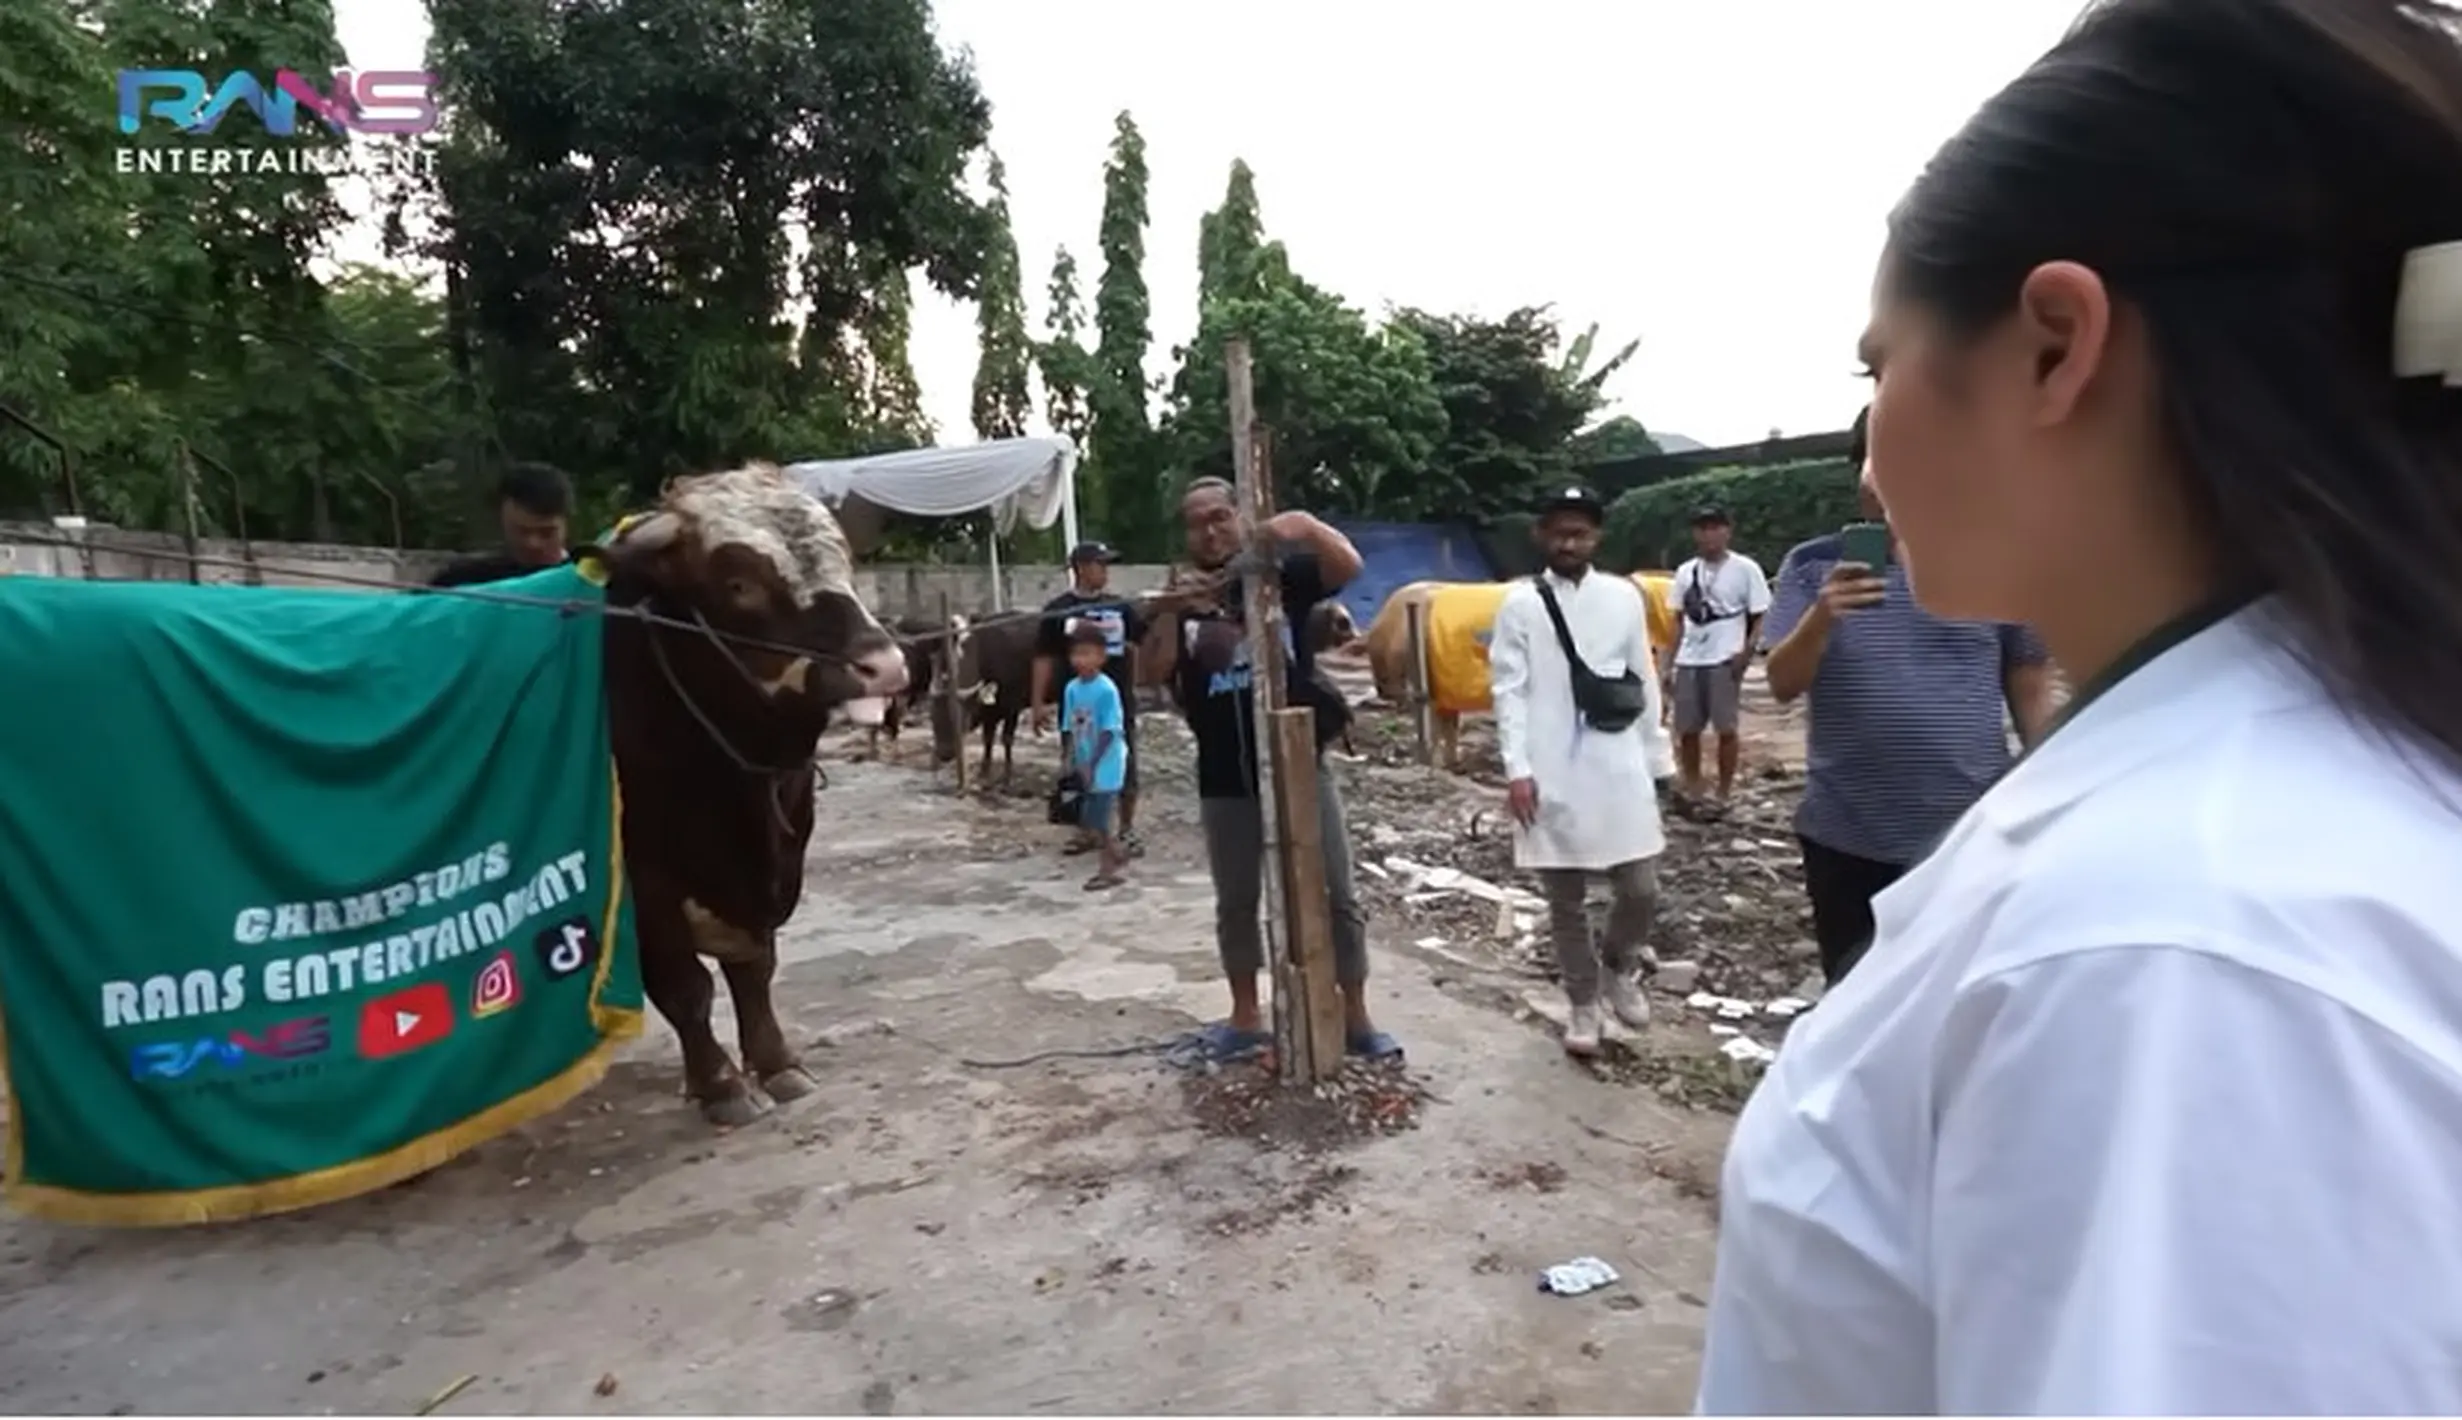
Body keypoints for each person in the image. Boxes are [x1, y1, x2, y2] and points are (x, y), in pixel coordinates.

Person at [1699, 1, 2462, 1413]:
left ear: (2054, 343)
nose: (1867, 459)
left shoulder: (2171, 944)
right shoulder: (2285, 794)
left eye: (1876, 369)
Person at [1758, 405, 2056, 986]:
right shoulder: (1811, 565)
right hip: (1845, 831)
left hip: (1965, 832)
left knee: (1954, 997)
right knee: (1852, 991)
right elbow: (1781, 684)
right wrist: (1824, 615)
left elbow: (2031, 690)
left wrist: (2051, 796)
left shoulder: (1994, 562)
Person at [1139, 476, 1400, 1062]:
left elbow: (1348, 564)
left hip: (1300, 761)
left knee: (1338, 892)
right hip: (1223, 772)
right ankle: (1245, 1016)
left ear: (1240, 516)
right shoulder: (1180, 595)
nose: (1210, 530)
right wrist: (1166, 613)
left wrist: (1302, 524)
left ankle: (1355, 1015)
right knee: (1235, 900)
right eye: (1197, 521)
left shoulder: (1281, 579)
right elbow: (1152, 675)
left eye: (1221, 516)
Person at [1488, 485, 1676, 1057]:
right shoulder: (1519, 604)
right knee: (1565, 901)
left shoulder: (1623, 598)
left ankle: (1620, 967)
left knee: (1641, 888)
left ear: (1597, 537)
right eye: (1560, 531)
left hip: (1618, 765)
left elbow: (1642, 679)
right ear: (1540, 535)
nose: (1570, 541)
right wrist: (1517, 769)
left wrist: (1658, 759)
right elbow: (1508, 691)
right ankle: (1583, 1003)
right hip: (1549, 773)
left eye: (1582, 532)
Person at [1031, 540, 1147, 856]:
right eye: (1100, 564)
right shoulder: (1058, 610)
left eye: (1107, 564)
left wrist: (1136, 685)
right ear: (1081, 568)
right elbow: (1043, 657)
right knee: (1078, 764)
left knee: (1125, 763)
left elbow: (1137, 646)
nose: (1105, 571)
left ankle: (1126, 829)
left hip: (1116, 701)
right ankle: (1087, 831)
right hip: (1077, 706)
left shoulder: (1121, 607)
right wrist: (1038, 702)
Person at [1659, 505, 1770, 815]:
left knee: (1726, 728)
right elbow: (1678, 621)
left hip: (1725, 655)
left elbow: (1760, 614)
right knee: (1688, 728)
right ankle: (1693, 785)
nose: (1709, 534)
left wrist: (1746, 653)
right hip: (1691, 656)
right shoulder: (1685, 572)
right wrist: (1668, 663)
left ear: (1727, 530)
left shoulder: (1746, 568)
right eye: (1702, 528)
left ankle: (1724, 789)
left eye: (1715, 527)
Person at [1060, 623, 1130, 891]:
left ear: (1101, 657)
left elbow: (1110, 731)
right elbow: (1068, 727)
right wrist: (1070, 758)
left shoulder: (1106, 690)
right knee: (1093, 818)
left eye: (1088, 654)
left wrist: (1092, 763)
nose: (1081, 660)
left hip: (1107, 762)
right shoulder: (1072, 689)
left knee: (1101, 817)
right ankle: (1117, 854)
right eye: (1076, 654)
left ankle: (1108, 870)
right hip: (1084, 760)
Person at [428, 463, 574, 588]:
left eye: (546, 533)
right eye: (521, 531)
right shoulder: (463, 580)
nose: (532, 543)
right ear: (502, 520)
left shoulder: (587, 584)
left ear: (566, 524)